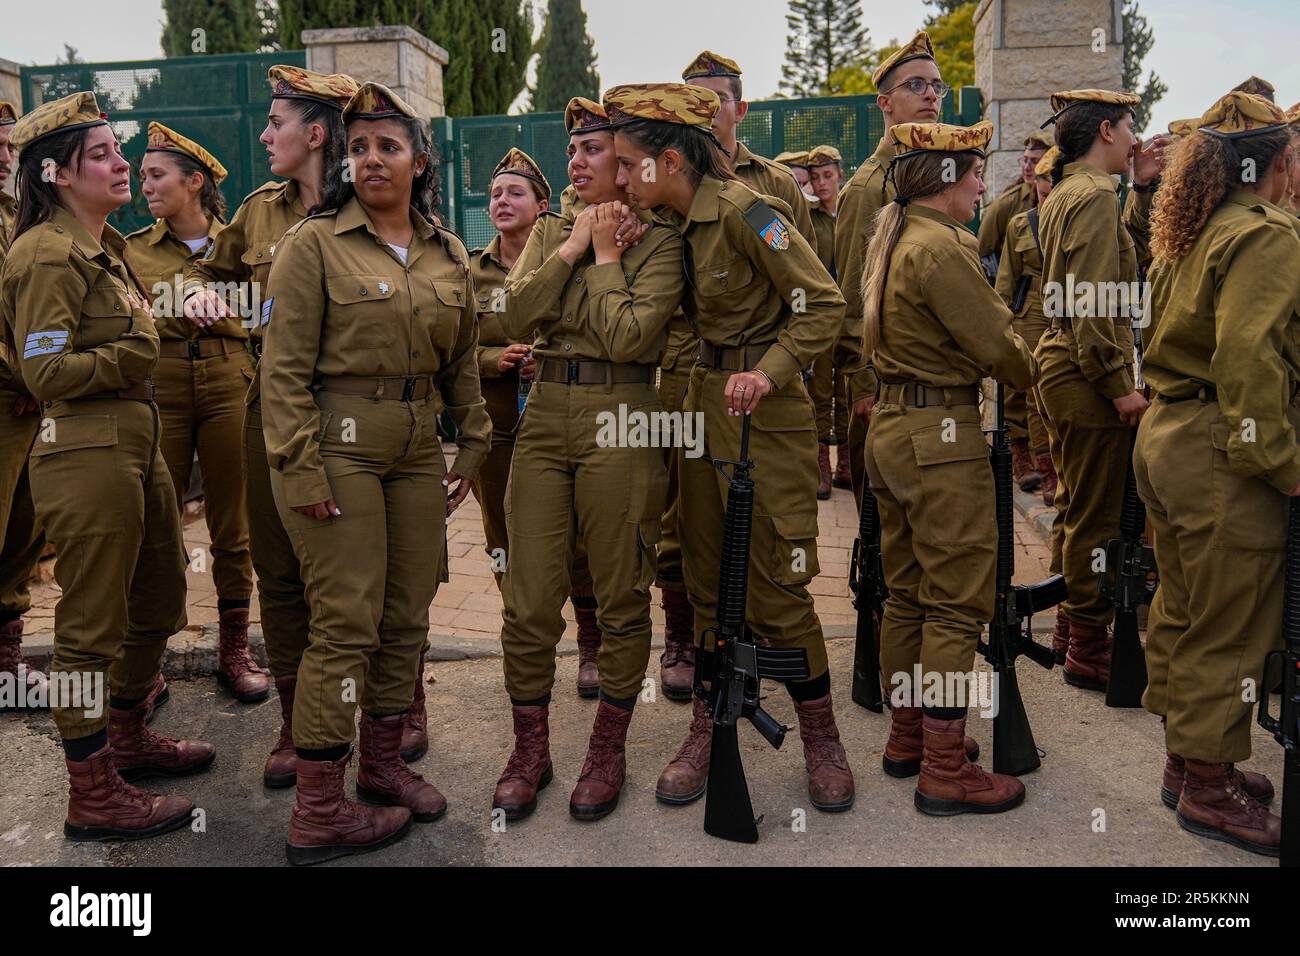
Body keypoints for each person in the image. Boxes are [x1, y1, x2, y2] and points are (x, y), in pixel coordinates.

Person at [604, 82, 856, 813]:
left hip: (763, 421)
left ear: (671, 160)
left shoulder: (752, 213)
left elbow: (824, 305)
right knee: (708, 581)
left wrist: (769, 371)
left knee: (777, 585)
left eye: (630, 165)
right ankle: (707, 728)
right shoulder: (663, 226)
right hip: (696, 412)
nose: (622, 178)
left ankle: (823, 738)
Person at [260, 82, 490, 864]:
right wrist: (301, 471)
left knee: (407, 614)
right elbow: (282, 374)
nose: (369, 159)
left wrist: (477, 442)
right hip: (340, 446)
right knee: (347, 621)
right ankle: (321, 807)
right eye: (357, 147)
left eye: (387, 145)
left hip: (417, 449)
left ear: (420, 160)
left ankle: (384, 767)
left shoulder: (447, 252)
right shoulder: (312, 245)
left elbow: (460, 364)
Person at [0, 91, 213, 841]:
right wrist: (132, 353)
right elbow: (44, 371)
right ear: (56, 173)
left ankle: (125, 738)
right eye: (103, 154)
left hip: (133, 440)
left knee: (156, 597)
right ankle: (91, 790)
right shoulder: (45, 253)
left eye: (117, 150)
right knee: (90, 626)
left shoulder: (106, 245)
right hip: (86, 451)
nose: (122, 163)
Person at [181, 67, 396, 789]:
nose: (265, 134)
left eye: (277, 123)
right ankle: (296, 725)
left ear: (314, 133)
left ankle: (393, 719)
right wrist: (197, 295)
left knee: (372, 574)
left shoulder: (372, 203)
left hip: (358, 419)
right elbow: (201, 271)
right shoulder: (259, 212)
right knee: (282, 575)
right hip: (270, 413)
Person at [491, 95, 681, 823]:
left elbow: (631, 340)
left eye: (592, 151)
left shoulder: (660, 238)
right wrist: (574, 247)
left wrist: (606, 258)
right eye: (571, 152)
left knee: (623, 586)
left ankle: (608, 748)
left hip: (623, 413)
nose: (577, 162)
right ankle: (529, 750)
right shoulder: (550, 231)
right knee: (530, 595)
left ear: (626, 161)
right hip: (545, 422)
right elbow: (513, 316)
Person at [1133, 90, 1297, 857]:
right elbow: (1248, 362)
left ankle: (1188, 758)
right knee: (1229, 627)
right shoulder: (1265, 236)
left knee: (1183, 609)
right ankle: (1209, 787)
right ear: (1274, 161)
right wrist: (1284, 466)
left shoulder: (1194, 227)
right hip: (1223, 451)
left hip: (1170, 434)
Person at [861, 119, 1037, 815]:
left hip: (898, 431)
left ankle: (910, 737)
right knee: (956, 604)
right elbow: (999, 346)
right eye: (970, 172)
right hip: (941, 439)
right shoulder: (940, 248)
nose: (979, 184)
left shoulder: (899, 238)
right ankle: (943, 768)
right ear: (941, 178)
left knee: (907, 594)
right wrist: (1028, 364)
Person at [125, 123, 268, 703]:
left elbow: (261, 309)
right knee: (155, 519)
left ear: (194, 182)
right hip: (161, 385)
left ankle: (234, 647)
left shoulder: (239, 244)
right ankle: (148, 654)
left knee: (233, 524)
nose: (144, 186)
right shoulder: (130, 249)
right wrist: (176, 302)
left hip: (229, 377)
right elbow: (132, 314)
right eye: (141, 176)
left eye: (156, 176)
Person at [1034, 88, 1166, 687]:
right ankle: (1088, 646)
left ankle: (1070, 626)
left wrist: (1140, 190)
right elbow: (1091, 298)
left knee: (1079, 504)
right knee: (1098, 515)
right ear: (1107, 131)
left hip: (1071, 363)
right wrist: (1118, 386)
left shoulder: (1076, 192)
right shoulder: (1090, 196)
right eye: (1131, 127)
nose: (1138, 138)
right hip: (1086, 370)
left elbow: (1129, 258)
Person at [468, 146, 605, 699]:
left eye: (514, 192)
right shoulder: (469, 268)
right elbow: (453, 345)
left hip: (558, 417)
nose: (502, 200)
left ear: (543, 206)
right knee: (502, 535)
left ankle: (591, 642)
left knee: (575, 539)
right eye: (496, 193)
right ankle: (524, 642)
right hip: (498, 426)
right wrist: (490, 360)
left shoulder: (572, 257)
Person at [834, 32, 945, 507]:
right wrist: (862, 388)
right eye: (916, 86)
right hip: (884, 389)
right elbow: (851, 298)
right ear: (885, 103)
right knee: (884, 529)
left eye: (937, 87)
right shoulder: (868, 188)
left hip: (930, 379)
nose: (930, 97)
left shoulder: (934, 175)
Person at [0, 98, 48, 708]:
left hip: (26, 405)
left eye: (9, 146)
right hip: (13, 393)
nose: (4, 155)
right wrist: (32, 378)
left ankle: (6, 668)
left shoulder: (19, 215)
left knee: (21, 534)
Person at [979, 130, 1053, 491]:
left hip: (1061, 302)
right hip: (1026, 301)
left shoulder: (1069, 200)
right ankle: (1022, 455)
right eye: (1025, 161)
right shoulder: (1009, 207)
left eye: (1035, 162)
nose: (1028, 168)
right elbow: (986, 251)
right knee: (1020, 383)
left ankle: (1051, 460)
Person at [994, 146, 1060, 509]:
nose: (1045, 199)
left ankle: (1061, 465)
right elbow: (1006, 278)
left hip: (1067, 300)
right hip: (1032, 307)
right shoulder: (1021, 223)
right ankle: (1045, 468)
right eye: (1041, 191)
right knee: (1037, 387)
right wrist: (1003, 320)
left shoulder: (1075, 218)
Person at [805, 145, 853, 493]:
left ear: (840, 174)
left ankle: (847, 464)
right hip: (821, 315)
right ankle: (821, 464)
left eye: (827, 175)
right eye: (815, 177)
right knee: (820, 390)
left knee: (848, 388)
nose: (822, 184)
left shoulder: (854, 208)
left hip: (851, 313)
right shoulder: (809, 218)